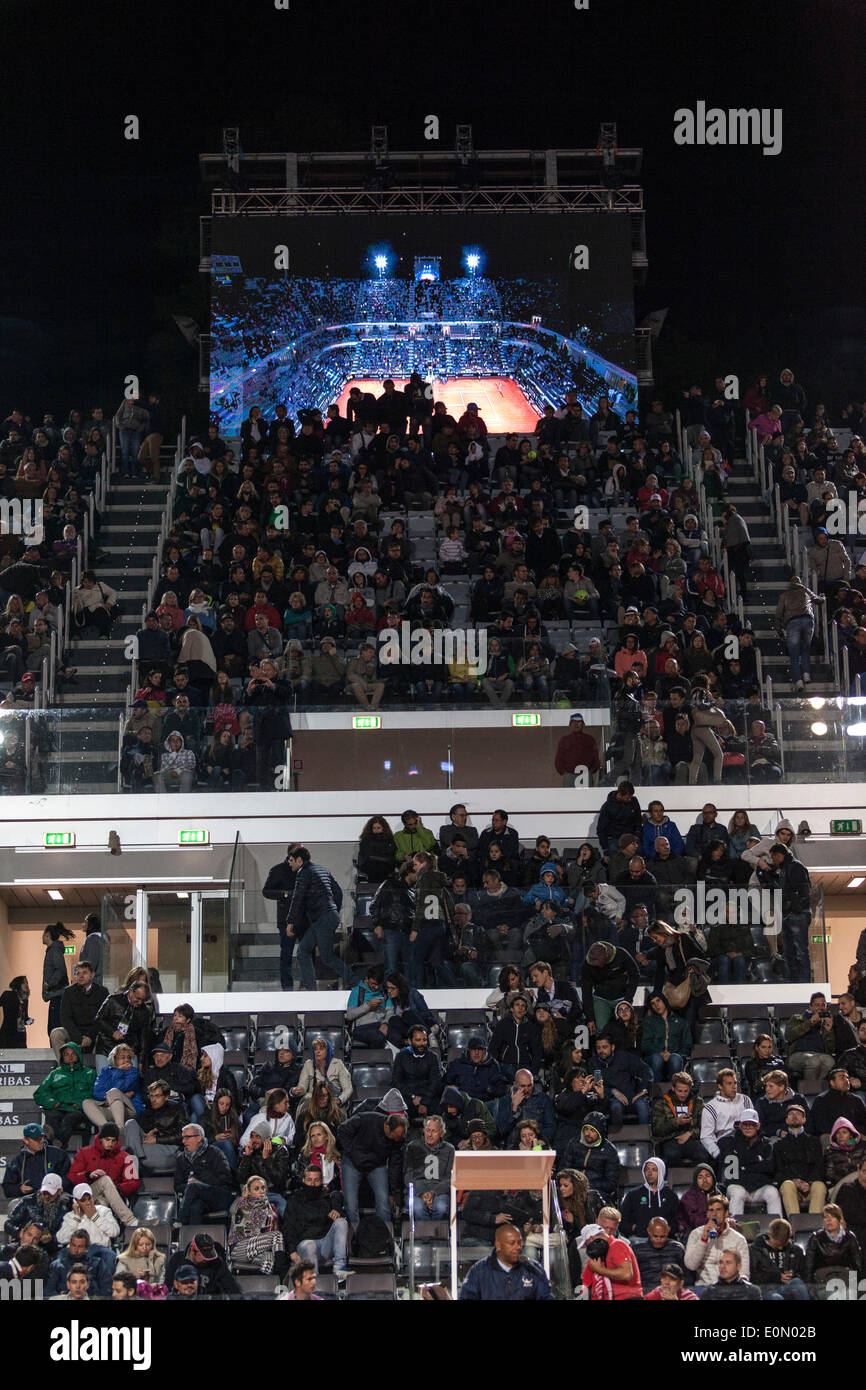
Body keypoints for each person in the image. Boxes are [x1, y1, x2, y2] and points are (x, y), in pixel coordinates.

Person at [283, 844, 349, 990]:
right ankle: (310, 986)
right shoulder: (322, 869)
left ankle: (356, 982)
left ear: (299, 860)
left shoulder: (303, 873)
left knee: (327, 957)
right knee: (303, 951)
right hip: (326, 917)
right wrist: (333, 910)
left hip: (323, 918)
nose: (289, 863)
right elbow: (338, 892)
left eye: (291, 860)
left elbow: (298, 898)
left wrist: (290, 922)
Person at [336, 1105, 407, 1228]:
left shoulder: (398, 1139)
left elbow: (395, 1165)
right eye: (395, 1136)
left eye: (399, 1137)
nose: (396, 1140)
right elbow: (342, 1130)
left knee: (384, 1202)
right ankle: (357, 1238)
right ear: (387, 1127)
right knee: (350, 1204)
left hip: (377, 1165)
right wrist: (352, 1152)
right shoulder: (365, 1119)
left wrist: (392, 1192)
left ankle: (385, 1238)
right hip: (352, 1162)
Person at [67, 1123, 139, 1231]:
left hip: (110, 1198)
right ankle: (130, 1220)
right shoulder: (84, 1153)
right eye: (107, 1139)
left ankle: (102, 1237)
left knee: (103, 1201)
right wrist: (88, 1175)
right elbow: (72, 1176)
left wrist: (116, 1189)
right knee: (105, 1180)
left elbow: (133, 1182)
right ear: (101, 1139)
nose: (110, 1143)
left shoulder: (125, 1157)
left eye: (113, 1141)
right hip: (87, 1194)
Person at [281, 1163, 348, 1277]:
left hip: (325, 1245)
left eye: (316, 1180)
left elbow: (343, 1216)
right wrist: (292, 1251)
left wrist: (338, 1212)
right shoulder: (295, 1200)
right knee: (309, 1245)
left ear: (321, 1181)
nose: (312, 1184)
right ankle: (313, 1284)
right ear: (303, 1180)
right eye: (309, 1180)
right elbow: (288, 1227)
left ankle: (340, 1270)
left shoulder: (328, 1198)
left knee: (342, 1222)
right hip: (305, 1245)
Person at [459, 1221, 554, 1300]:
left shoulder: (533, 1269)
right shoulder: (479, 1270)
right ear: (498, 1245)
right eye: (512, 1243)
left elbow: (547, 1297)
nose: (518, 1247)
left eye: (519, 1243)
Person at [718, 1109, 783, 1217]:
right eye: (745, 1125)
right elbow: (731, 1171)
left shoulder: (767, 1144)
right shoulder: (730, 1143)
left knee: (772, 1192)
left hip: (759, 1187)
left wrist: (744, 1166)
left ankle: (779, 1231)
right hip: (738, 1186)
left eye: (751, 1125)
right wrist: (757, 1160)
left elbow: (769, 1168)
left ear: (758, 1126)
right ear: (740, 1126)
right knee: (738, 1193)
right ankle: (734, 1230)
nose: (748, 1128)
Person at [33, 1042, 96, 1148]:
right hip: (59, 1107)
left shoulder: (89, 1073)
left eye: (73, 1054)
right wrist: (52, 1102)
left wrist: (81, 1103)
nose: (70, 1057)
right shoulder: (55, 1074)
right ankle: (59, 1143)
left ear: (78, 1055)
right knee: (52, 1117)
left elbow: (95, 1093)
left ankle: (57, 1143)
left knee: (68, 1120)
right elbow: (40, 1093)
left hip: (78, 1110)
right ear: (62, 1057)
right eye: (66, 1054)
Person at [684, 1194, 750, 1290]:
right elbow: (691, 1265)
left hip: (730, 1287)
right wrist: (704, 1239)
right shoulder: (696, 1234)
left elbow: (744, 1272)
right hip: (704, 1287)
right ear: (707, 1214)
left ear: (726, 1213)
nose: (714, 1214)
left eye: (718, 1210)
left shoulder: (739, 1239)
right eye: (711, 1210)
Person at [174, 1123, 234, 1224]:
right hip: (194, 1199)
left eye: (187, 1137)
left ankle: (180, 1221)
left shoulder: (215, 1153)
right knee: (195, 1207)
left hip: (218, 1196)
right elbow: (177, 1185)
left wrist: (200, 1183)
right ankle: (194, 1238)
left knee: (194, 1186)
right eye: (183, 1138)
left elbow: (226, 1179)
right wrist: (190, 1188)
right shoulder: (181, 1159)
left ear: (198, 1138)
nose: (183, 1141)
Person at [774, 1101, 827, 1215]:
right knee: (787, 1185)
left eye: (798, 1114)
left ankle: (815, 1229)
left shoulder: (814, 1142)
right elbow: (778, 1170)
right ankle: (795, 1228)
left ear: (804, 1119)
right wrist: (795, 1181)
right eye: (791, 1114)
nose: (794, 1116)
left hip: (810, 1187)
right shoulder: (779, 1145)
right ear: (787, 1120)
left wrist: (808, 1183)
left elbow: (819, 1167)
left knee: (819, 1185)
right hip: (791, 1188)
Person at [123, 1079, 186, 1174]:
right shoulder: (149, 1108)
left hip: (168, 1148)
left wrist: (157, 1139)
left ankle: (134, 1163)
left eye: (157, 1096)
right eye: (151, 1096)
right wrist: (148, 1133)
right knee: (130, 1123)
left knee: (125, 1152)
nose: (153, 1100)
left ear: (166, 1096)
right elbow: (141, 1133)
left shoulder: (178, 1108)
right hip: (147, 1147)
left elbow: (184, 1135)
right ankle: (136, 1162)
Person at [227, 1176, 286, 1275]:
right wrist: (265, 1239)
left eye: (263, 1188)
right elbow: (243, 1233)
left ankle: (264, 1288)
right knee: (276, 1235)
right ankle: (282, 1275)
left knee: (269, 1260)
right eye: (256, 1189)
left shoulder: (269, 1207)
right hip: (239, 1248)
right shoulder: (242, 1205)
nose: (261, 1191)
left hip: (258, 1247)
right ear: (249, 1192)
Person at [82, 1042, 145, 1132]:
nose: (126, 1060)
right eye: (123, 1057)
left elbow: (120, 1088)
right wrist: (111, 1097)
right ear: (114, 1058)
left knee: (114, 1092)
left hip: (129, 1109)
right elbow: (97, 1092)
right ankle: (107, 1130)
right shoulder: (105, 1071)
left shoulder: (133, 1072)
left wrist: (120, 1071)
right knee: (86, 1102)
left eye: (129, 1057)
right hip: (109, 1106)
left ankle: (120, 1130)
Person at [557, 1113, 621, 1201]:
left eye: (592, 1130)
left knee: (590, 1198)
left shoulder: (609, 1151)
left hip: (595, 1191)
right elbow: (563, 1169)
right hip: (572, 1187)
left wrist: (586, 1185)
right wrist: (571, 1183)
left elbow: (611, 1183)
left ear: (600, 1132)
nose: (588, 1133)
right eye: (586, 1129)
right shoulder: (574, 1143)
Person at [51, 960, 108, 1061]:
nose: (81, 976)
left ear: (92, 974)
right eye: (78, 973)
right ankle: (64, 1066)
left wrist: (90, 1036)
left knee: (104, 1034)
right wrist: (78, 1039)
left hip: (94, 1033)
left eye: (84, 973)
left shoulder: (102, 992)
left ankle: (98, 1068)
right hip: (74, 1032)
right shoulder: (68, 992)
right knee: (56, 1033)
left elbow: (103, 1018)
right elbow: (65, 1018)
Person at [580, 941, 639, 1034]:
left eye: (600, 962)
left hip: (622, 997)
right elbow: (586, 991)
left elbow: (635, 974)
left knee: (625, 1028)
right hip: (601, 998)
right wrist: (590, 1018)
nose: (599, 966)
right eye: (595, 964)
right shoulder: (587, 965)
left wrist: (628, 999)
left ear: (607, 954)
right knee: (601, 1029)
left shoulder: (621, 954)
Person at [2, 1121, 72, 1199]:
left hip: (55, 1194)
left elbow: (69, 1175)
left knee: (64, 1199)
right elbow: (7, 1187)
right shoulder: (17, 1161)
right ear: (26, 1140)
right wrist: (20, 1189)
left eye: (41, 1138)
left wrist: (60, 1185)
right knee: (13, 1204)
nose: (40, 1142)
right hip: (29, 1197)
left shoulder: (58, 1154)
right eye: (36, 1139)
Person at [262, 845, 300, 990]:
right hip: (286, 918)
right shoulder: (278, 870)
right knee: (286, 954)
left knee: (306, 952)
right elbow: (266, 891)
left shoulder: (307, 870)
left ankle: (307, 984)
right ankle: (287, 987)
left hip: (305, 918)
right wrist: (285, 894)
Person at [404, 1115, 454, 1221]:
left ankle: (436, 1235)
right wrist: (422, 1193)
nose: (430, 1135)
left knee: (441, 1207)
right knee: (417, 1208)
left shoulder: (449, 1149)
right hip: (417, 1190)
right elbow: (408, 1175)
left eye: (434, 1131)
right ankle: (425, 1236)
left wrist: (433, 1193)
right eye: (427, 1130)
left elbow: (449, 1178)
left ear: (442, 1133)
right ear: (423, 1130)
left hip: (440, 1191)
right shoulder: (412, 1147)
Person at [578, 1221, 643, 1301]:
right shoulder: (597, 1256)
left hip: (628, 1297)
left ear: (591, 1239)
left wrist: (600, 1270)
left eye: (587, 1244)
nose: (589, 1248)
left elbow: (626, 1274)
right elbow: (585, 1284)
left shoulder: (617, 1245)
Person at [164, 1231, 240, 1297]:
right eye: (204, 1256)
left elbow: (232, 1290)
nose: (207, 1260)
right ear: (192, 1251)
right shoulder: (176, 1259)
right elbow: (167, 1288)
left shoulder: (217, 1262)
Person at [699, 1067, 753, 1159]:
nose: (734, 1086)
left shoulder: (745, 1100)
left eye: (735, 1083)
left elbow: (753, 1122)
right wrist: (718, 1154)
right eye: (729, 1083)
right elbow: (706, 1136)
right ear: (720, 1086)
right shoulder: (711, 1107)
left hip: (746, 1138)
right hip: (725, 1143)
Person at [750, 1218, 810, 1301]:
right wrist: (777, 1277)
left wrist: (793, 1275)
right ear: (769, 1235)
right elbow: (753, 1278)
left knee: (797, 1282)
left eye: (783, 1244)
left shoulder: (796, 1251)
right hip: (766, 1289)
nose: (780, 1247)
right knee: (776, 1298)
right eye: (777, 1244)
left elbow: (804, 1274)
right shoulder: (756, 1250)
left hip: (787, 1286)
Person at [45, 1229, 115, 1299]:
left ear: (87, 1248)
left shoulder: (97, 1264)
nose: (76, 1250)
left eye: (80, 1246)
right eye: (73, 1245)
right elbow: (48, 1290)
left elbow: (107, 1289)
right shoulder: (57, 1266)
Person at [620, 1158, 681, 1238]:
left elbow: (677, 1220)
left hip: (665, 1239)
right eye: (647, 1169)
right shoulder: (633, 1194)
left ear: (661, 1172)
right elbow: (622, 1220)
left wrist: (668, 1230)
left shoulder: (671, 1195)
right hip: (639, 1239)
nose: (649, 1173)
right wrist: (634, 1228)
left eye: (654, 1170)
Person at [495, 1068, 556, 1145]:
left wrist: (540, 1141)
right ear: (515, 1084)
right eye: (523, 1086)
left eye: (529, 1085)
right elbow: (501, 1130)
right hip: (514, 1147)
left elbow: (551, 1126)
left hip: (537, 1144)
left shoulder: (543, 1099)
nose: (526, 1090)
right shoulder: (505, 1101)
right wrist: (514, 1108)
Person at [804, 1204, 862, 1286]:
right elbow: (808, 1266)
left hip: (846, 1281)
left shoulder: (850, 1238)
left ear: (839, 1219)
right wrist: (810, 1287)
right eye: (826, 1217)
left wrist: (854, 1288)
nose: (828, 1220)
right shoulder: (815, 1238)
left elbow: (857, 1265)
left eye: (832, 1217)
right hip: (822, 1281)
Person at [640, 993, 691, 1082]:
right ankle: (654, 1091)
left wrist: (672, 1054)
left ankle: (674, 1091)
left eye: (658, 1001)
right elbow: (645, 1045)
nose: (656, 1005)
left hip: (675, 1055)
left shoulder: (680, 1021)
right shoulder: (648, 1022)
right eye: (653, 1003)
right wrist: (661, 1053)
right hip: (654, 1056)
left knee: (675, 1058)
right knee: (657, 1059)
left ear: (664, 1001)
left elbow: (687, 1044)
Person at [489, 992, 543, 1076]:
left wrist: (533, 1070)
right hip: (506, 1066)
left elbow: (536, 1051)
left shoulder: (530, 1027)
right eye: (517, 1005)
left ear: (525, 1010)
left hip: (525, 1066)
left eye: (523, 1006)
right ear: (511, 1009)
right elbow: (494, 1047)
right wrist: (496, 1068)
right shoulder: (503, 1025)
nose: (520, 1008)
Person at [443, 1035, 508, 1103]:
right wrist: (450, 1089)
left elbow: (501, 1090)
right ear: (469, 1050)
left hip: (485, 1104)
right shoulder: (458, 1064)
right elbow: (444, 1083)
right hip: (462, 1103)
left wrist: (488, 1088)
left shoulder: (492, 1066)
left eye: (480, 1049)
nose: (476, 1053)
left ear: (485, 1051)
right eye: (474, 1049)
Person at [293, 1035, 353, 1108]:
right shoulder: (308, 1064)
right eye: (315, 1049)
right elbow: (302, 1085)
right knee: (306, 1100)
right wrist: (300, 1089)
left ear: (328, 1050)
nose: (318, 1051)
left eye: (321, 1049)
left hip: (333, 1100)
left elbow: (348, 1089)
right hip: (313, 1101)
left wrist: (339, 1099)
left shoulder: (338, 1064)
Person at [57, 1182, 120, 1247]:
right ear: (76, 1202)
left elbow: (115, 1232)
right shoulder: (69, 1216)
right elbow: (61, 1239)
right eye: (83, 1200)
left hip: (99, 1249)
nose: (88, 1203)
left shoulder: (104, 1211)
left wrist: (95, 1217)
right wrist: (76, 1218)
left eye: (89, 1198)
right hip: (76, 1251)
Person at [808, 1068, 866, 1138]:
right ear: (832, 1082)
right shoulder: (821, 1100)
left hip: (853, 1138)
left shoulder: (856, 1100)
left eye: (847, 1078)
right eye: (842, 1078)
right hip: (833, 1137)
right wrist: (841, 1134)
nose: (847, 1081)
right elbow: (820, 1126)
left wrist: (852, 1134)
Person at [634, 1216, 687, 1290]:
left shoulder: (677, 1248)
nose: (659, 1240)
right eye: (655, 1236)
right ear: (649, 1231)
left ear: (668, 1231)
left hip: (673, 1290)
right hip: (647, 1290)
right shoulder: (637, 1250)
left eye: (662, 1236)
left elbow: (686, 1275)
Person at [41, 922, 73, 1033]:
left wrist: (49, 984)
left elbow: (61, 970)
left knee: (54, 1029)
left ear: (48, 934)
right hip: (56, 995)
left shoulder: (54, 950)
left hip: (57, 995)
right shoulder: (54, 950)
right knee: (54, 1028)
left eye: (43, 934)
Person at [679, 1163, 721, 1234]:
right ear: (696, 1180)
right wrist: (718, 1220)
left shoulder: (717, 1193)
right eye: (700, 1177)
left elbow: (726, 1211)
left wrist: (731, 1220)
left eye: (708, 1176)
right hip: (694, 1233)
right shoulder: (689, 1196)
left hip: (716, 1230)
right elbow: (695, 1221)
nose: (704, 1180)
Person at [0, 975, 31, 1047]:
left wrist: (28, 1020)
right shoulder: (8, 995)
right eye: (24, 982)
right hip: (8, 1031)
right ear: (18, 984)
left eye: (27, 982)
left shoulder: (25, 1000)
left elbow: (25, 1017)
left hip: (20, 1033)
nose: (26, 985)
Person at [79, 913, 109, 987]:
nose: (83, 924)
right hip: (101, 981)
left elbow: (90, 963)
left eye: (85, 922)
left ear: (91, 924)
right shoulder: (103, 939)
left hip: (93, 984)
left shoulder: (92, 939)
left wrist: (83, 980)